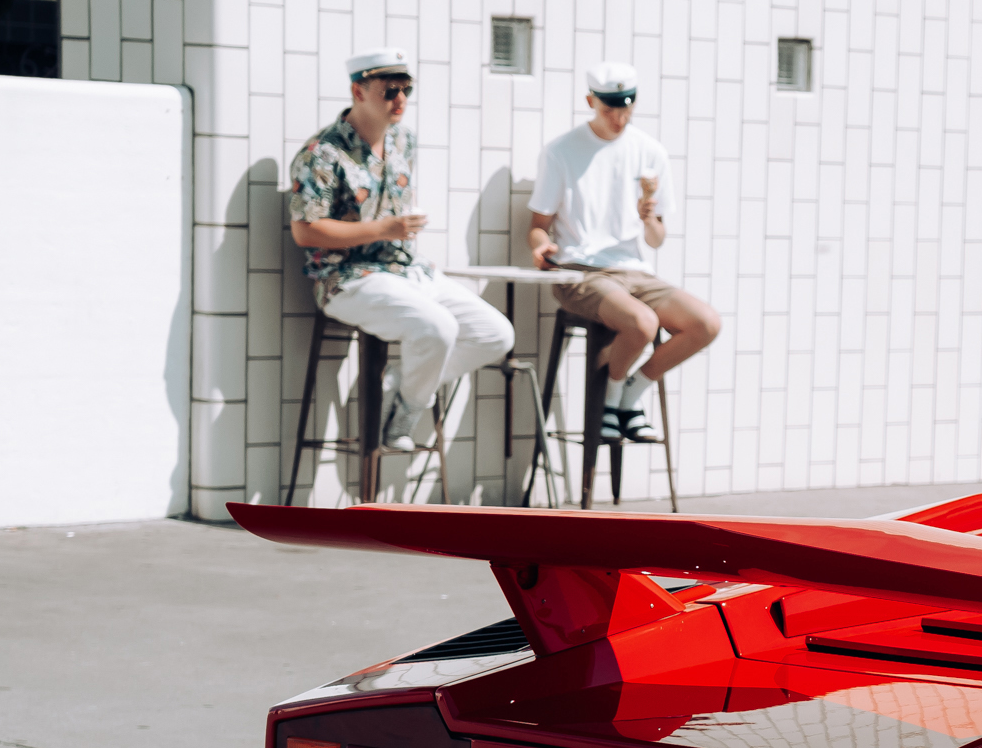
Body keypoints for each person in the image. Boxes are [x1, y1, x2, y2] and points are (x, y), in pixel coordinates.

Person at [284, 49, 514, 452]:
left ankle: (402, 385)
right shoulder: (322, 152)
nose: (401, 100)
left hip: (403, 269)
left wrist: (399, 232)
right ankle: (406, 411)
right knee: (437, 327)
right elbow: (305, 231)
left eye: (407, 89)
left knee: (496, 334)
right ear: (358, 90)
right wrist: (383, 228)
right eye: (390, 90)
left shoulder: (404, 140)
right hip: (345, 278)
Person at [528, 62, 720, 442]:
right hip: (579, 270)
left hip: (633, 270)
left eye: (627, 107)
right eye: (609, 108)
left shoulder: (651, 152)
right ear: (591, 101)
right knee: (642, 323)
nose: (619, 117)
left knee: (706, 323)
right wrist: (540, 246)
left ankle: (626, 396)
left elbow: (656, 239)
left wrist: (649, 217)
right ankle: (612, 403)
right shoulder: (561, 151)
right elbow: (537, 225)